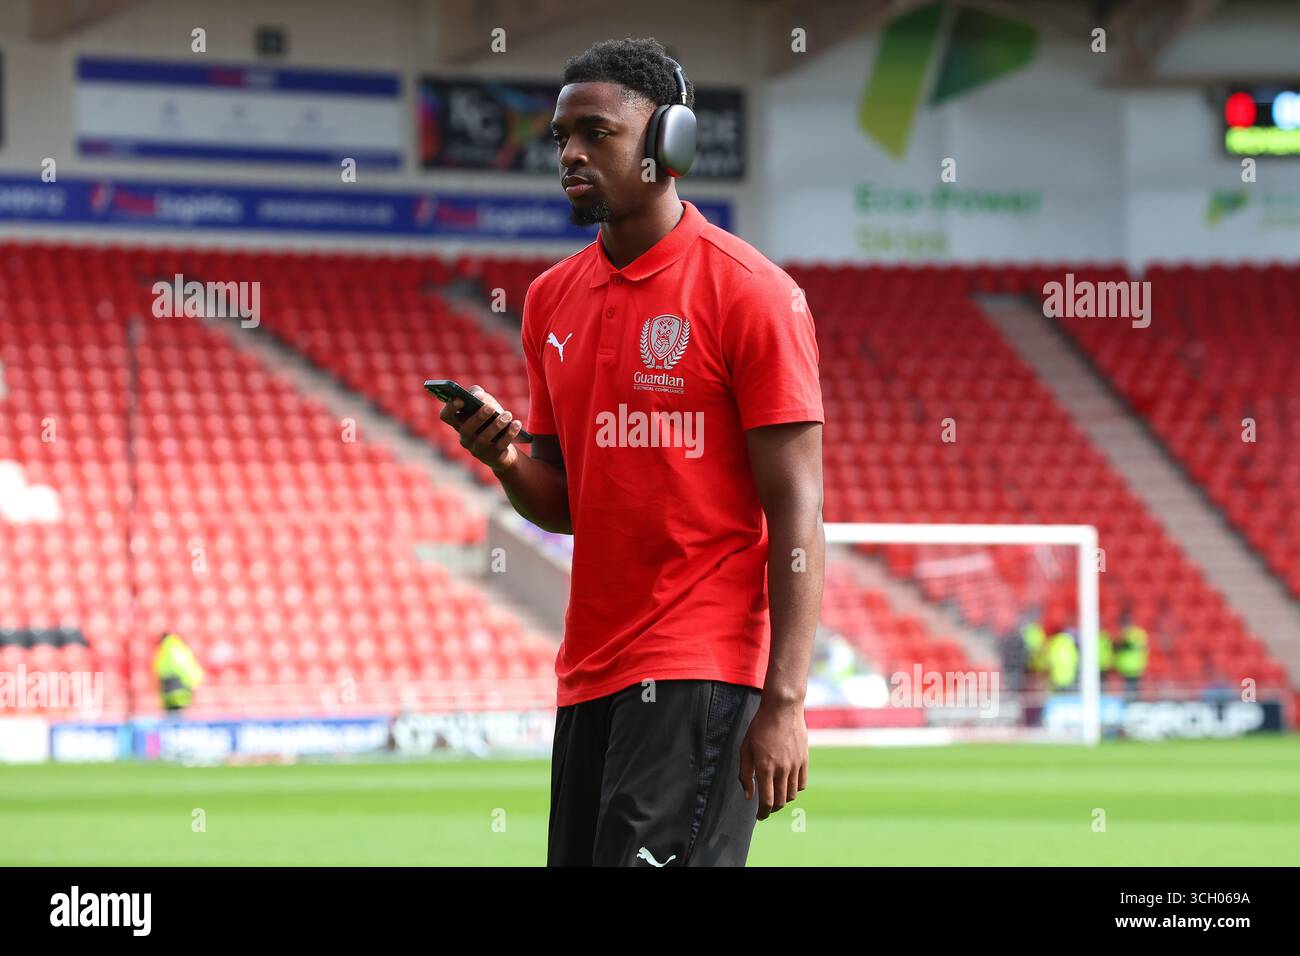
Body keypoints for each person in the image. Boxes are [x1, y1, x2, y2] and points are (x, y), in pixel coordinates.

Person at [438, 37, 824, 867]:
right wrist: (505, 460)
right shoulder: (550, 299)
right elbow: (568, 502)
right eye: (560, 137)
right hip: (589, 676)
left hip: (701, 671)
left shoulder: (753, 295)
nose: (571, 153)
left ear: (669, 145)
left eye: (596, 133)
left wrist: (785, 700)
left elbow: (798, 513)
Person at [153, 632, 204, 716]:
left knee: (172, 716)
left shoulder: (162, 652)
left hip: (168, 690)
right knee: (179, 715)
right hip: (180, 689)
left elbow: (158, 671)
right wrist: (194, 683)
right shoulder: (178, 649)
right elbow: (187, 668)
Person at [1115, 621, 1149, 697]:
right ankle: (1132, 700)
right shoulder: (1139, 633)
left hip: (1132, 666)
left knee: (1132, 687)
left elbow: (1121, 647)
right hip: (1130, 666)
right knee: (1131, 687)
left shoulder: (1127, 635)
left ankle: (1131, 701)